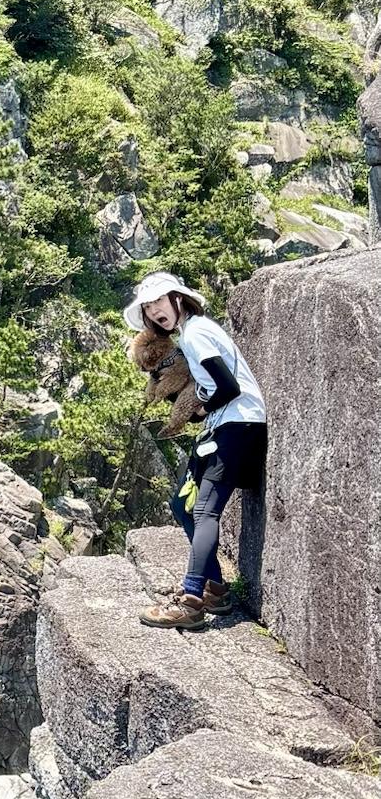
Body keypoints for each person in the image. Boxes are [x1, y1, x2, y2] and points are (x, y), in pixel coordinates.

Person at [123, 270, 268, 630]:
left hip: (237, 424)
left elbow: (227, 387)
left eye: (159, 300)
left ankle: (191, 601)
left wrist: (199, 409)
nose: (155, 311)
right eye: (148, 307)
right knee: (181, 505)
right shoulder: (192, 332)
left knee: (203, 510)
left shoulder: (196, 332)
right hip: (224, 426)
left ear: (177, 298)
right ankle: (215, 589)